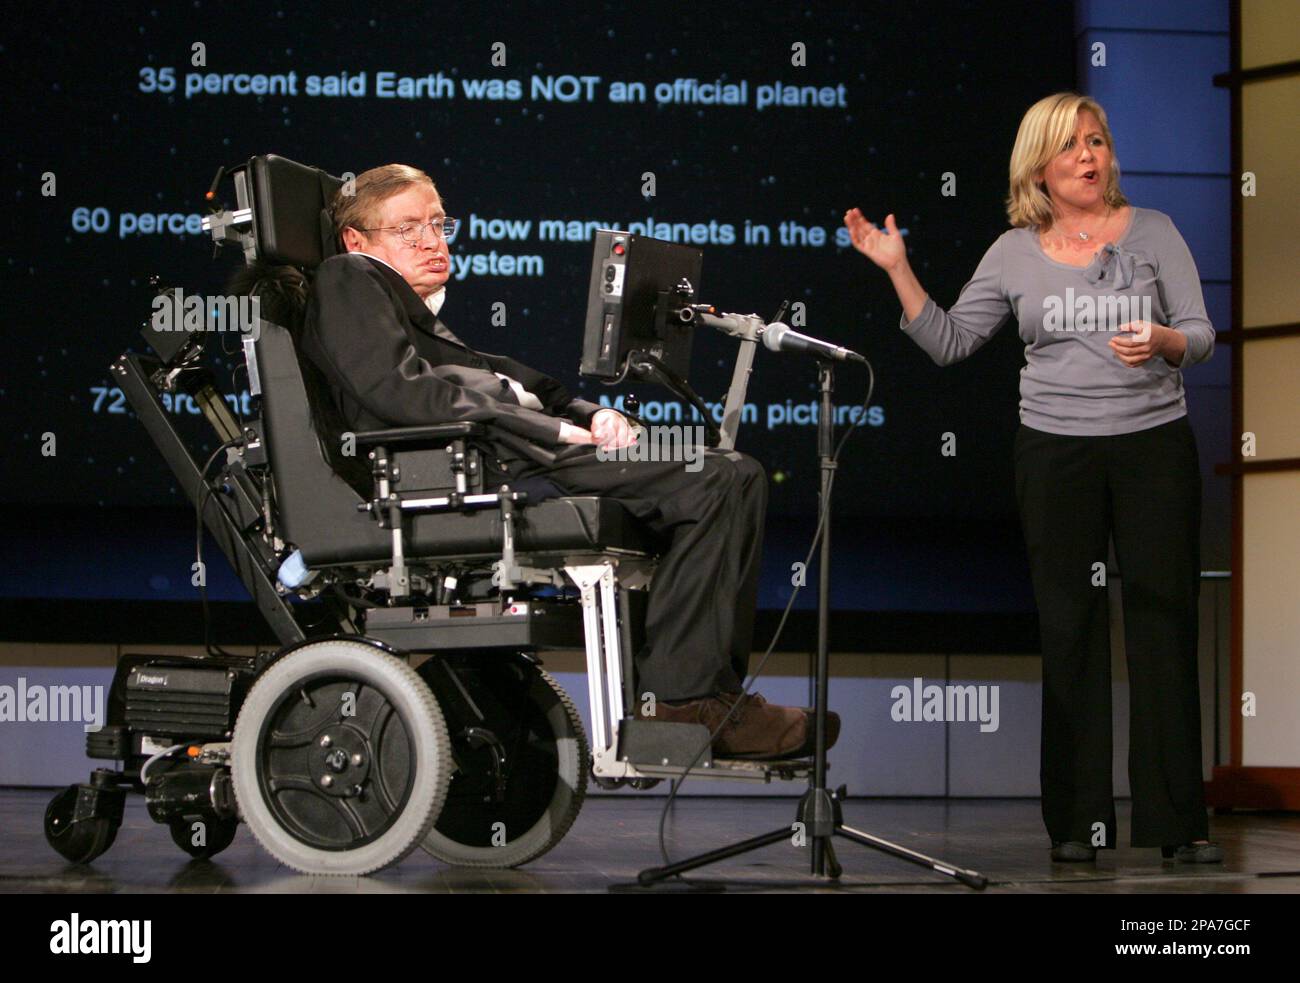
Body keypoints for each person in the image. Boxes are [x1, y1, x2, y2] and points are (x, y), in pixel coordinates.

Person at [299, 163, 839, 759]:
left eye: (437, 223)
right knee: (715, 478)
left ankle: (703, 694)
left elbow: (517, 379)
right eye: (408, 229)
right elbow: (401, 394)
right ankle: (687, 701)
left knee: (728, 468)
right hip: (489, 465)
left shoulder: (418, 319)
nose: (433, 241)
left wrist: (591, 415)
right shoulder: (347, 276)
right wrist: (555, 428)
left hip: (533, 448)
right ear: (358, 240)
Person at [844, 92, 1221, 863]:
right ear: (1040, 168)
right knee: (1070, 632)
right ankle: (1079, 825)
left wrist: (1165, 341)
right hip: (1056, 456)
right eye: (1071, 146)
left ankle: (1177, 824)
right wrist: (898, 268)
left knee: (1164, 626)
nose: (1090, 155)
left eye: (1098, 141)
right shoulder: (1014, 251)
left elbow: (1203, 334)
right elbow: (949, 341)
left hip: (1152, 448)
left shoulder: (1156, 233)